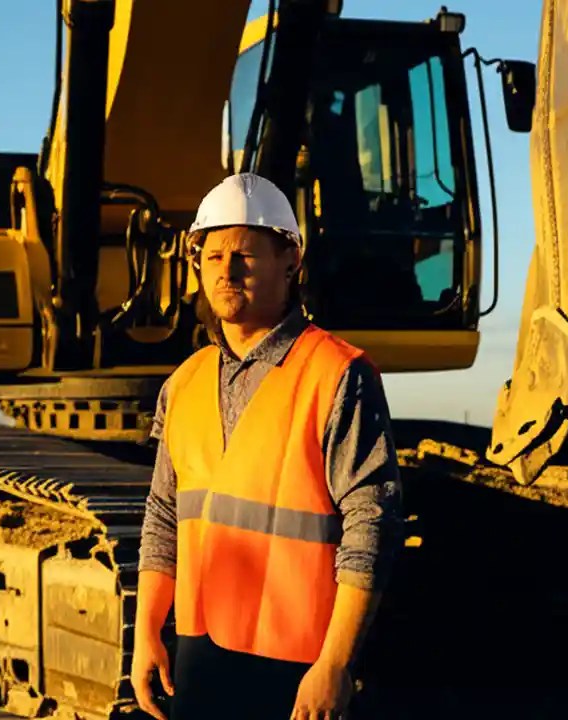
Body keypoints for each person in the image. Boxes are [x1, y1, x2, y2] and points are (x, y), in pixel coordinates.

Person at [131, 172, 404, 720]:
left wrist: (335, 664)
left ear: (291, 261)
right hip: (202, 655)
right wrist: (146, 636)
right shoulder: (184, 383)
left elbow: (370, 523)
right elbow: (164, 516)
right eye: (212, 257)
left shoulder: (337, 373)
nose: (227, 271)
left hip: (296, 666)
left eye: (246, 256)